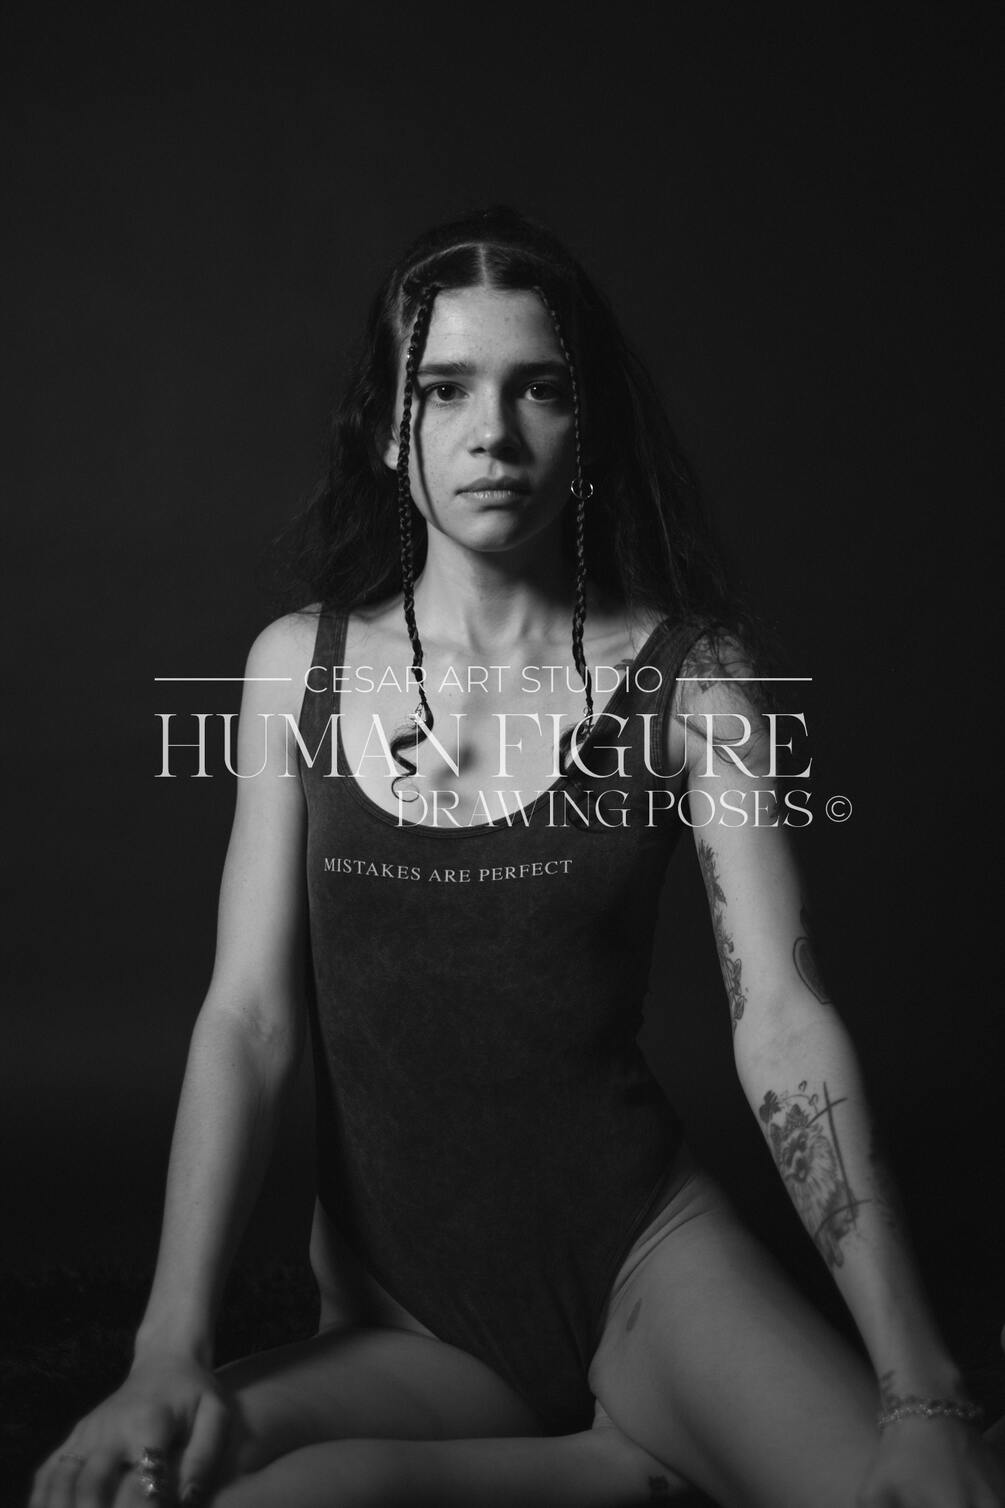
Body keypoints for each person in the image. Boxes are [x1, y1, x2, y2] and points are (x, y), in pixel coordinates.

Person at [32, 207, 1005, 1508]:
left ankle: (640, 1438)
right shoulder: (297, 668)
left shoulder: (691, 679)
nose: (491, 431)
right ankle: (612, 1469)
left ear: (585, 424)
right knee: (155, 1486)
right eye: (444, 390)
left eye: (537, 388)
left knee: (917, 1490)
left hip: (645, 1268)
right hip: (407, 1317)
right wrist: (168, 1347)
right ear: (389, 429)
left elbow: (782, 1017)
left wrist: (920, 1388)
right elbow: (249, 1019)